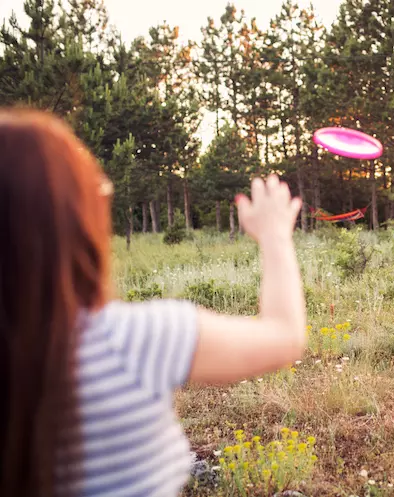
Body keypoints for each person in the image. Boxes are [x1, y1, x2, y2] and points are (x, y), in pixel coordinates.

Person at [0, 109, 307, 497]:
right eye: (98, 191)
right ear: (72, 218)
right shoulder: (130, 342)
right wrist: (275, 236)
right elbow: (284, 337)